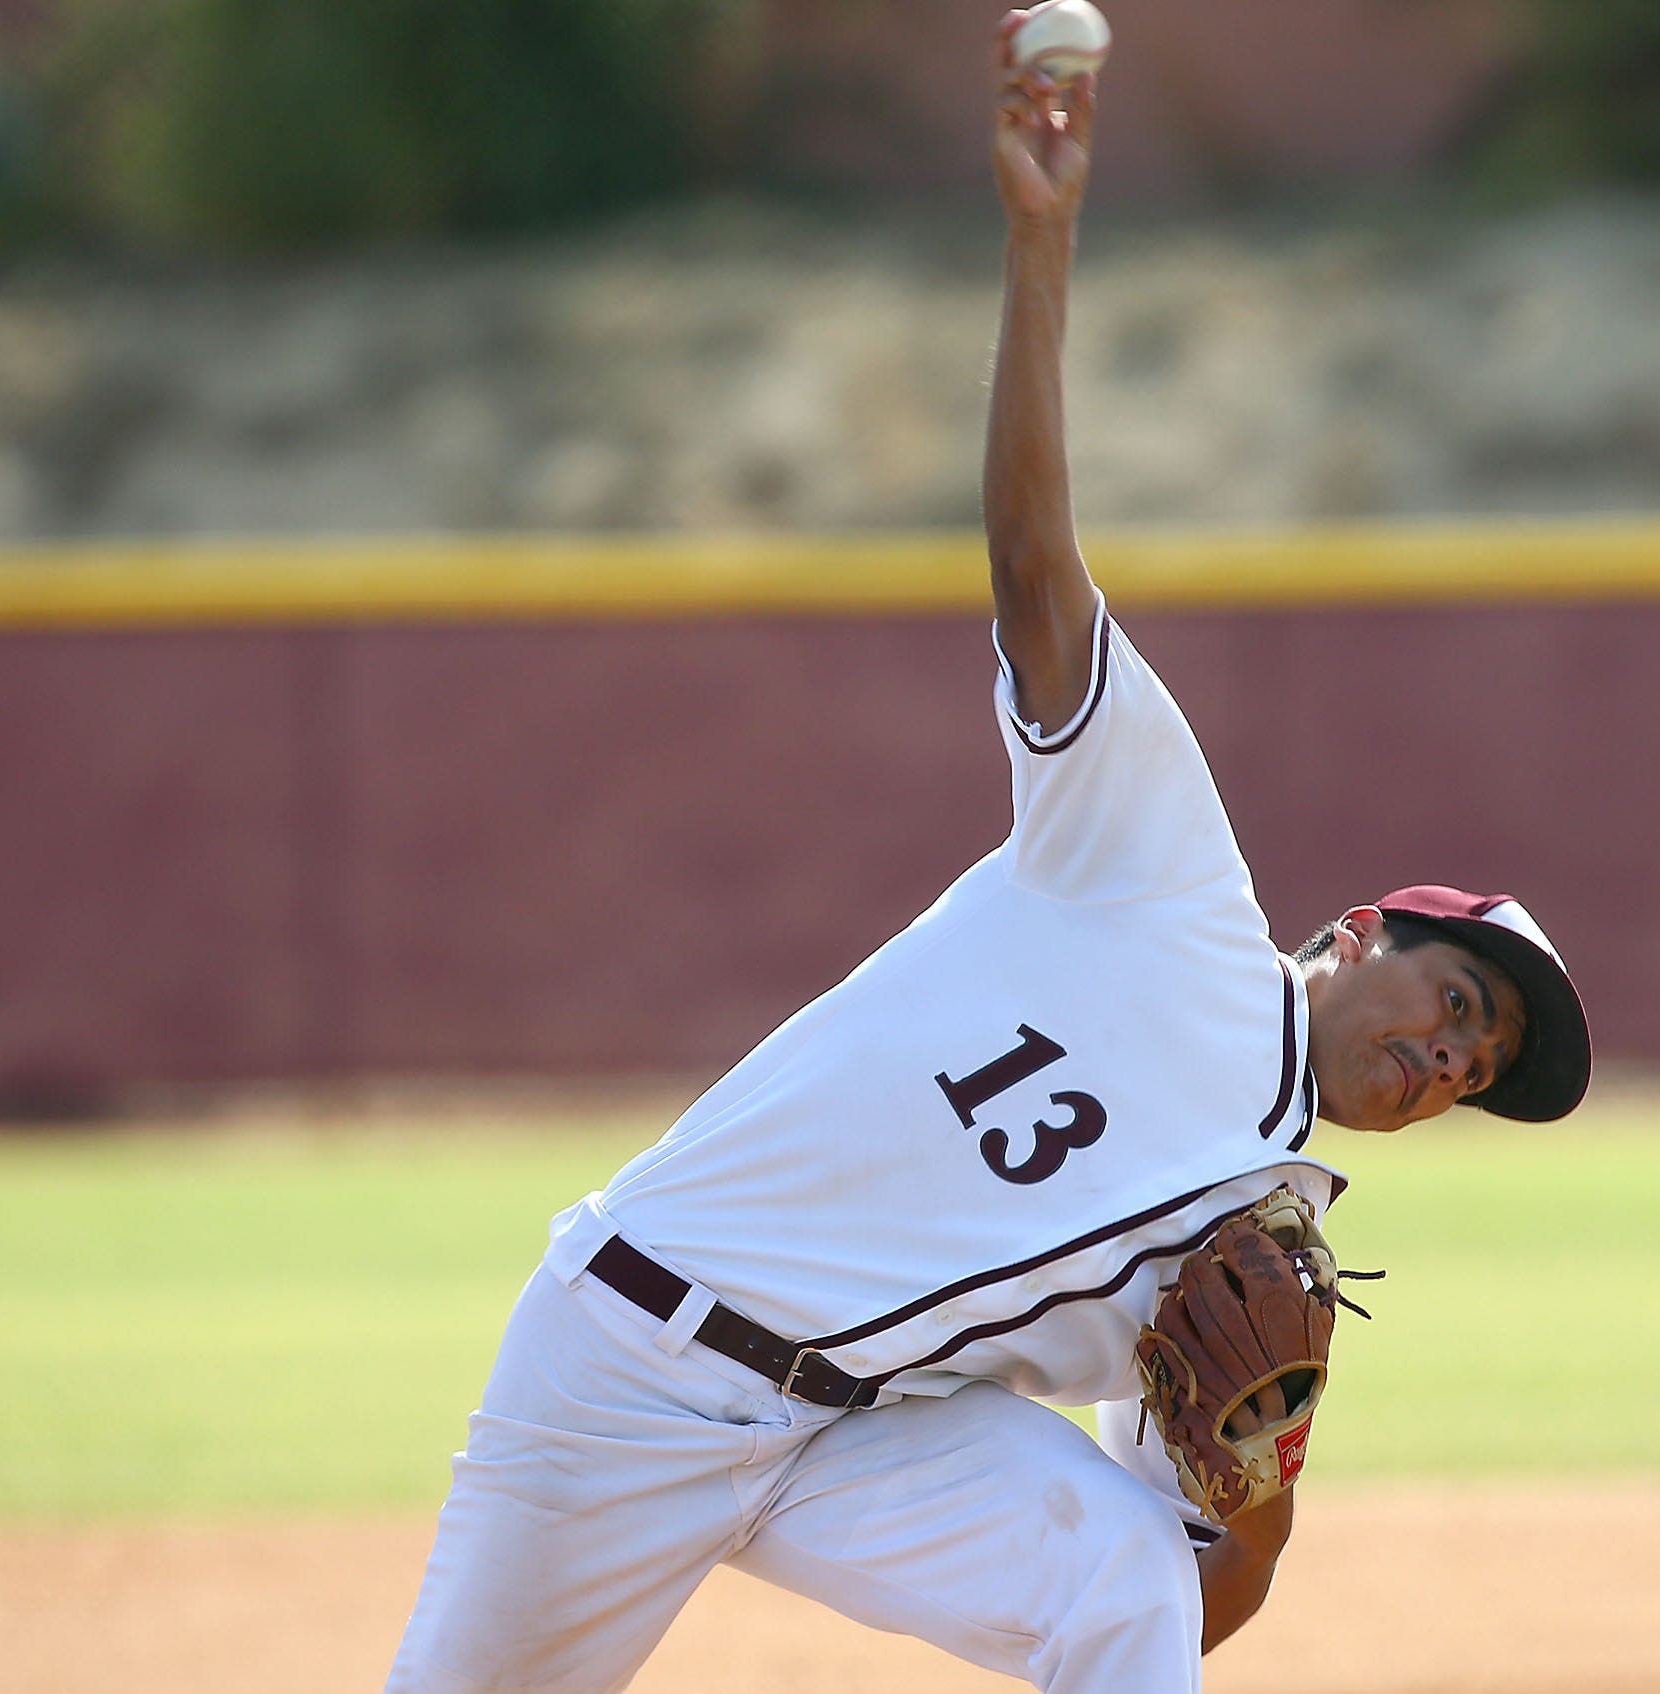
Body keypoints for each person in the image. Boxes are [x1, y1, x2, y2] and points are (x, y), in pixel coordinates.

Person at [383, 15, 1591, 1693]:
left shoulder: (1259, 1241)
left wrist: (1257, 1500)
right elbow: (1034, 572)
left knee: (1121, 1589)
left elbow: (1191, 1601)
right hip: (634, 1360)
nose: (1453, 1056)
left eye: (1479, 1065)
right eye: (1460, 1000)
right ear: (1362, 930)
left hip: (860, 1443)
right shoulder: (1164, 876)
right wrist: (1042, 238)